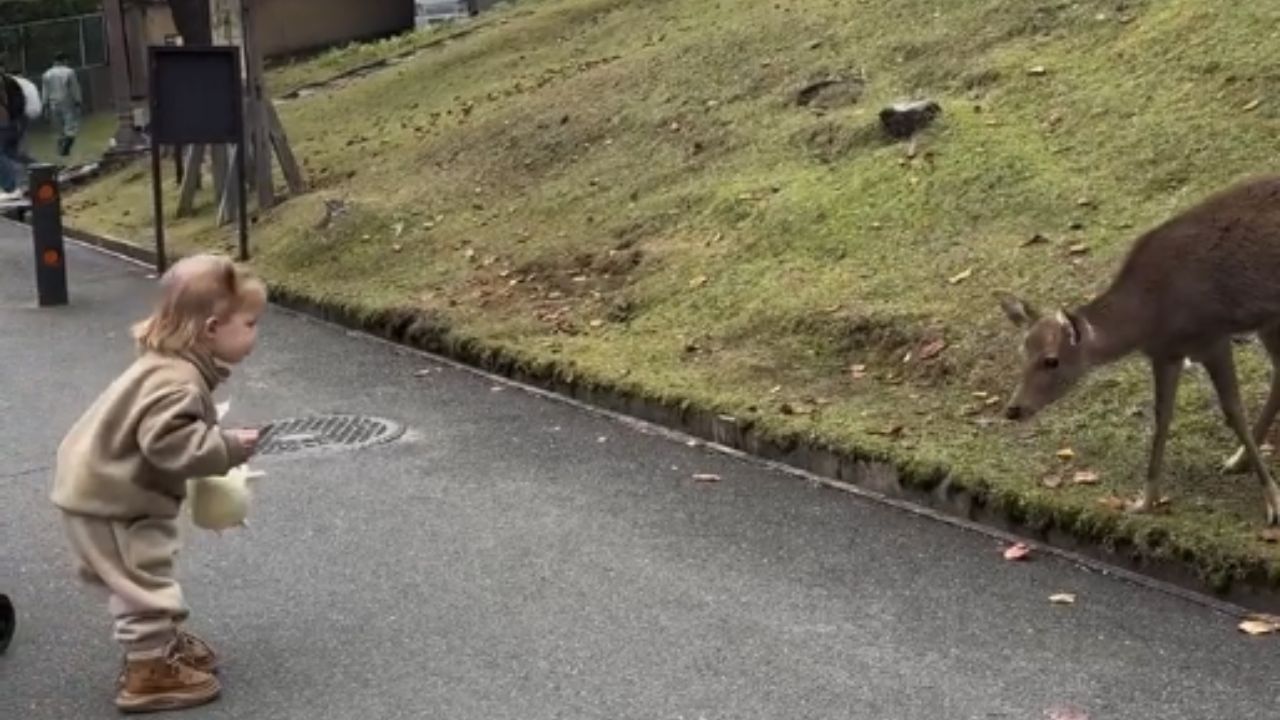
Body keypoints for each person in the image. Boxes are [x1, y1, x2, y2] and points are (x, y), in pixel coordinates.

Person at [51, 254, 266, 713]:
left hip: (105, 486)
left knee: (142, 571)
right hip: (113, 498)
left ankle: (161, 643)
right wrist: (228, 447)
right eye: (250, 324)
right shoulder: (179, 381)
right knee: (141, 578)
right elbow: (170, 445)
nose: (255, 334)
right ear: (212, 328)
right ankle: (148, 669)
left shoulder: (168, 364)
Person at [41, 53, 81, 158]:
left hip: (53, 103)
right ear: (64, 60)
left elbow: (45, 92)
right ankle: (65, 151)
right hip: (67, 102)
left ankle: (61, 155)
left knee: (59, 130)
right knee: (71, 129)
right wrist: (78, 101)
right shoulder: (69, 72)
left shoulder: (46, 74)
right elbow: (74, 88)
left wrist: (45, 106)